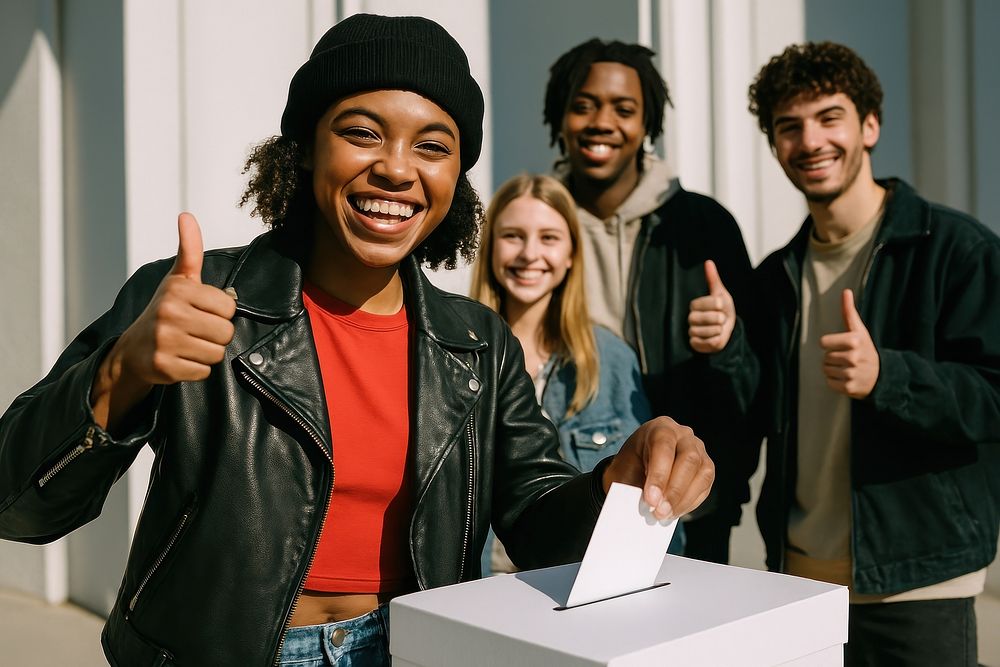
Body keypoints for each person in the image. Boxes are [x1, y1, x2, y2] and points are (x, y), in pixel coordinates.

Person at [0, 14, 715, 667]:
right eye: (362, 131)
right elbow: (17, 506)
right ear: (306, 148)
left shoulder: (477, 342)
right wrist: (119, 374)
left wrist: (617, 481)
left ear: (453, 179)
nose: (398, 167)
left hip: (417, 648)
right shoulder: (197, 299)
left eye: (433, 146)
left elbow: (536, 519)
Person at [747, 41, 1000, 665]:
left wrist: (889, 377)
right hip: (800, 585)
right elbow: (748, 412)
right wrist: (724, 344)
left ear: (869, 126)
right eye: (789, 126)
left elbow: (994, 397)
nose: (810, 141)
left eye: (829, 117)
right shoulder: (772, 278)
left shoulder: (955, 250)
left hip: (918, 585)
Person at [543, 38, 758, 563]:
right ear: (560, 116)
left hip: (681, 508)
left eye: (624, 108)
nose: (602, 122)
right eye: (584, 105)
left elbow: (756, 389)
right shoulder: (532, 226)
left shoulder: (703, 228)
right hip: (559, 502)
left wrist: (727, 344)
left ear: (648, 123)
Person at [471, 173, 684, 574]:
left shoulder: (611, 358)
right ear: (490, 249)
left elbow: (648, 502)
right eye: (513, 236)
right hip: (474, 591)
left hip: (575, 590)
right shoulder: (453, 352)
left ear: (571, 253)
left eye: (549, 238)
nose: (529, 253)